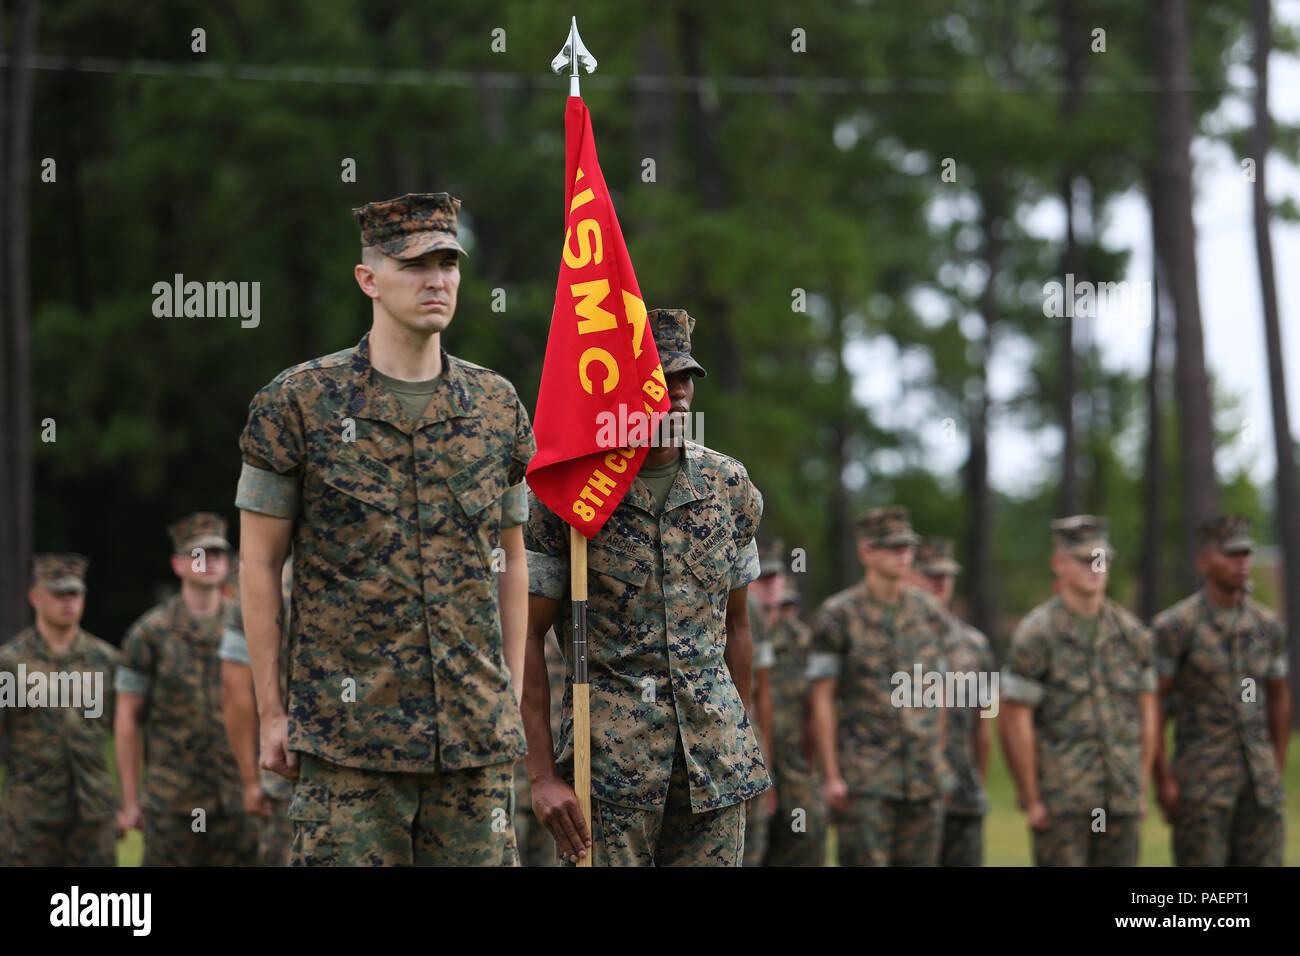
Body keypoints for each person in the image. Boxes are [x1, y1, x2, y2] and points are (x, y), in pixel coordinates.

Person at [235, 192, 536, 866]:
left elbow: (512, 558)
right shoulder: (299, 404)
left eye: (448, 263)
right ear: (368, 279)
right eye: (415, 264)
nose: (437, 280)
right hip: (347, 746)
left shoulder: (496, 407)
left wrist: (510, 693)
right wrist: (272, 713)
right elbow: (257, 564)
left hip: (473, 745)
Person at [522, 307, 769, 867]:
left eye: (685, 377)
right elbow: (526, 636)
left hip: (712, 767)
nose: (676, 393)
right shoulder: (569, 494)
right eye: (659, 377)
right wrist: (541, 777)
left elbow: (738, 627)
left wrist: (737, 736)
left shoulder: (729, 486)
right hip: (608, 767)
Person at [1000, 515, 1157, 867]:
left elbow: (1147, 712)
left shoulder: (1132, 634)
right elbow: (1015, 720)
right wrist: (1031, 796)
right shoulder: (1037, 634)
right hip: (1064, 799)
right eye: (1085, 560)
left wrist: (1140, 787)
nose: (1096, 567)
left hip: (1118, 797)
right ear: (1059, 565)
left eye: (1102, 559)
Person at [115, 513, 259, 866]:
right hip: (173, 801)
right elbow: (127, 719)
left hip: (238, 796)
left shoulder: (252, 628)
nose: (209, 562)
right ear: (179, 564)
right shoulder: (150, 633)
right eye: (199, 554)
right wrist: (131, 800)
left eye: (217, 554)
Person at [808, 506, 948, 867]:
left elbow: (938, 692)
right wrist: (832, 774)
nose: (903, 554)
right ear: (866, 552)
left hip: (922, 775)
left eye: (907, 546)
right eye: (892, 546)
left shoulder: (929, 613)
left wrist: (939, 760)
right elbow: (822, 698)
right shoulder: (839, 614)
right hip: (866, 778)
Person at [1152, 514, 1290, 866]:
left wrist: (1275, 764)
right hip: (1201, 787)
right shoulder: (1176, 627)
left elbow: (1278, 696)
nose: (1241, 562)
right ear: (1204, 562)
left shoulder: (1266, 626)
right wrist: (1163, 779)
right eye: (1230, 554)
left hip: (1259, 787)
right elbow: (1153, 704)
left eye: (1246, 554)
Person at [0, 553, 120, 866]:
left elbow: (124, 732)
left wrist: (127, 802)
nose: (68, 601)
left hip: (93, 811)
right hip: (29, 815)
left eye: (74, 593)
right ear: (34, 597)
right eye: (58, 593)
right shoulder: (11, 663)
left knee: (94, 911)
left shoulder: (106, 660)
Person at [909, 537, 993, 866]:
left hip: (963, 793)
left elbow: (984, 724)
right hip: (909, 794)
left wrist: (978, 782)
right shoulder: (896, 639)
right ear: (911, 576)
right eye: (932, 574)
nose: (941, 583)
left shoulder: (974, 645)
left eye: (947, 575)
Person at [219, 555, 294, 865]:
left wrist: (251, 781)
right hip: (383, 768)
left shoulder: (265, 582)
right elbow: (234, 690)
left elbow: (234, 690)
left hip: (289, 770)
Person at [761, 579, 828, 867]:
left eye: (788, 605)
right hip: (751, 760)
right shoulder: (733, 629)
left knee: (807, 830)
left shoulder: (802, 642)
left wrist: (814, 767)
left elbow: (815, 709)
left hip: (793, 762)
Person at [742, 540, 779, 867]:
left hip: (747, 746)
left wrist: (766, 764)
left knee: (751, 849)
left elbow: (762, 694)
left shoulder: (750, 609)